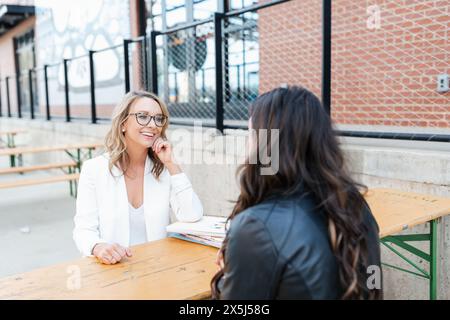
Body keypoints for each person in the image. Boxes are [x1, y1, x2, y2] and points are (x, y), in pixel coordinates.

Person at [211, 85, 382, 299]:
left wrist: (225, 277)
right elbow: (372, 284)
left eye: (250, 134)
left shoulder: (256, 227)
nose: (247, 145)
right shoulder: (354, 205)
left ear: (266, 145)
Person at [73, 91, 203, 264]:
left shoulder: (163, 169)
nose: (152, 125)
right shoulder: (94, 169)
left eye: (158, 119)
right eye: (143, 116)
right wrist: (98, 247)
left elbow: (192, 215)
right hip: (112, 270)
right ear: (123, 123)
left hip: (158, 268)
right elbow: (83, 230)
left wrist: (172, 164)